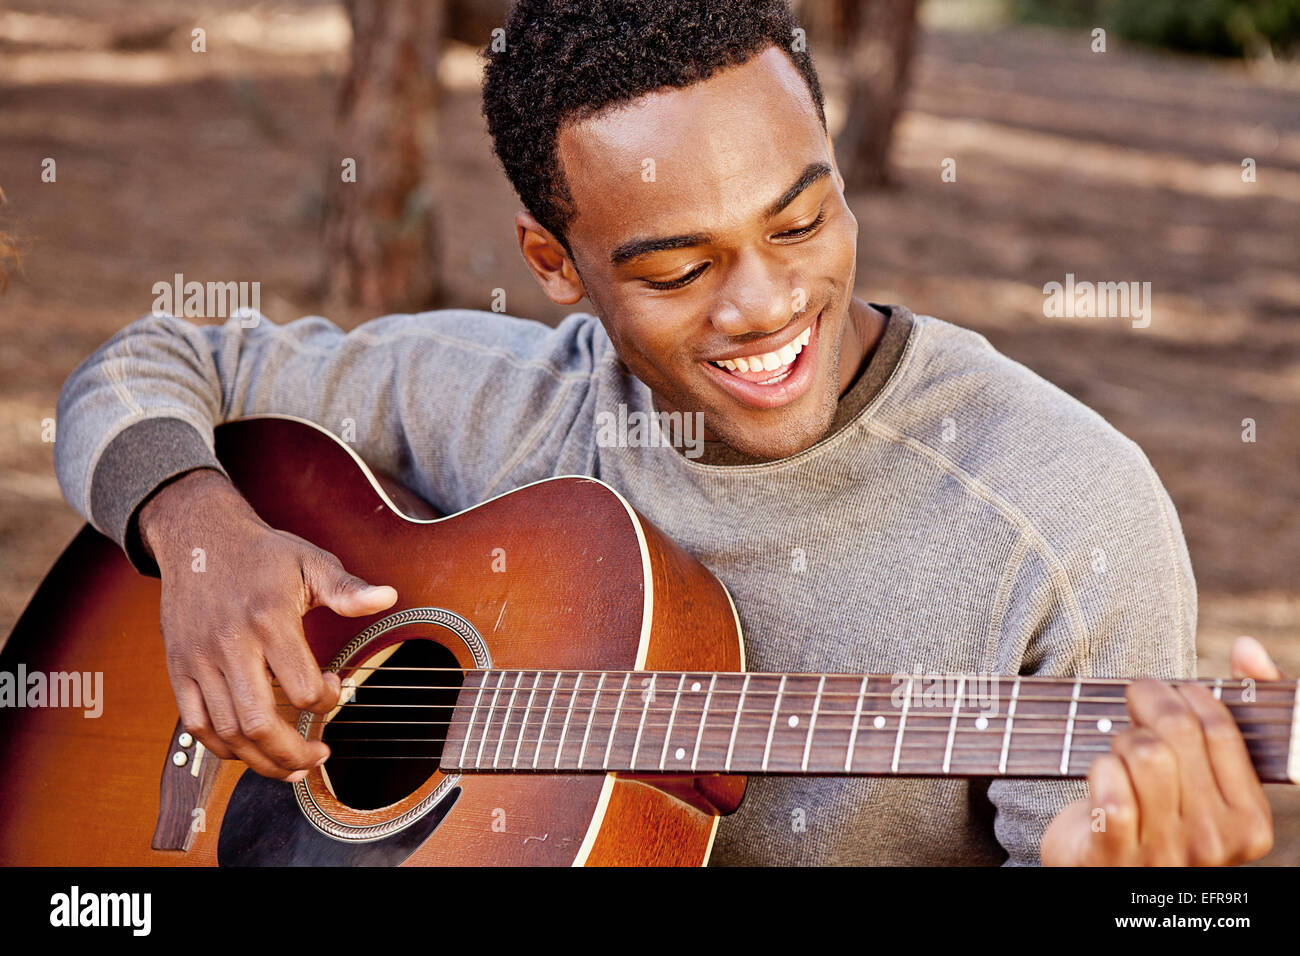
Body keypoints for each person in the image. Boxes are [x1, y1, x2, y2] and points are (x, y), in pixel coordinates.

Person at [52, 0, 1278, 866]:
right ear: (555, 263)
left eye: (800, 223)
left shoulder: (1065, 515)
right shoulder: (494, 395)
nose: (764, 305)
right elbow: (158, 359)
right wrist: (200, 533)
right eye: (681, 266)